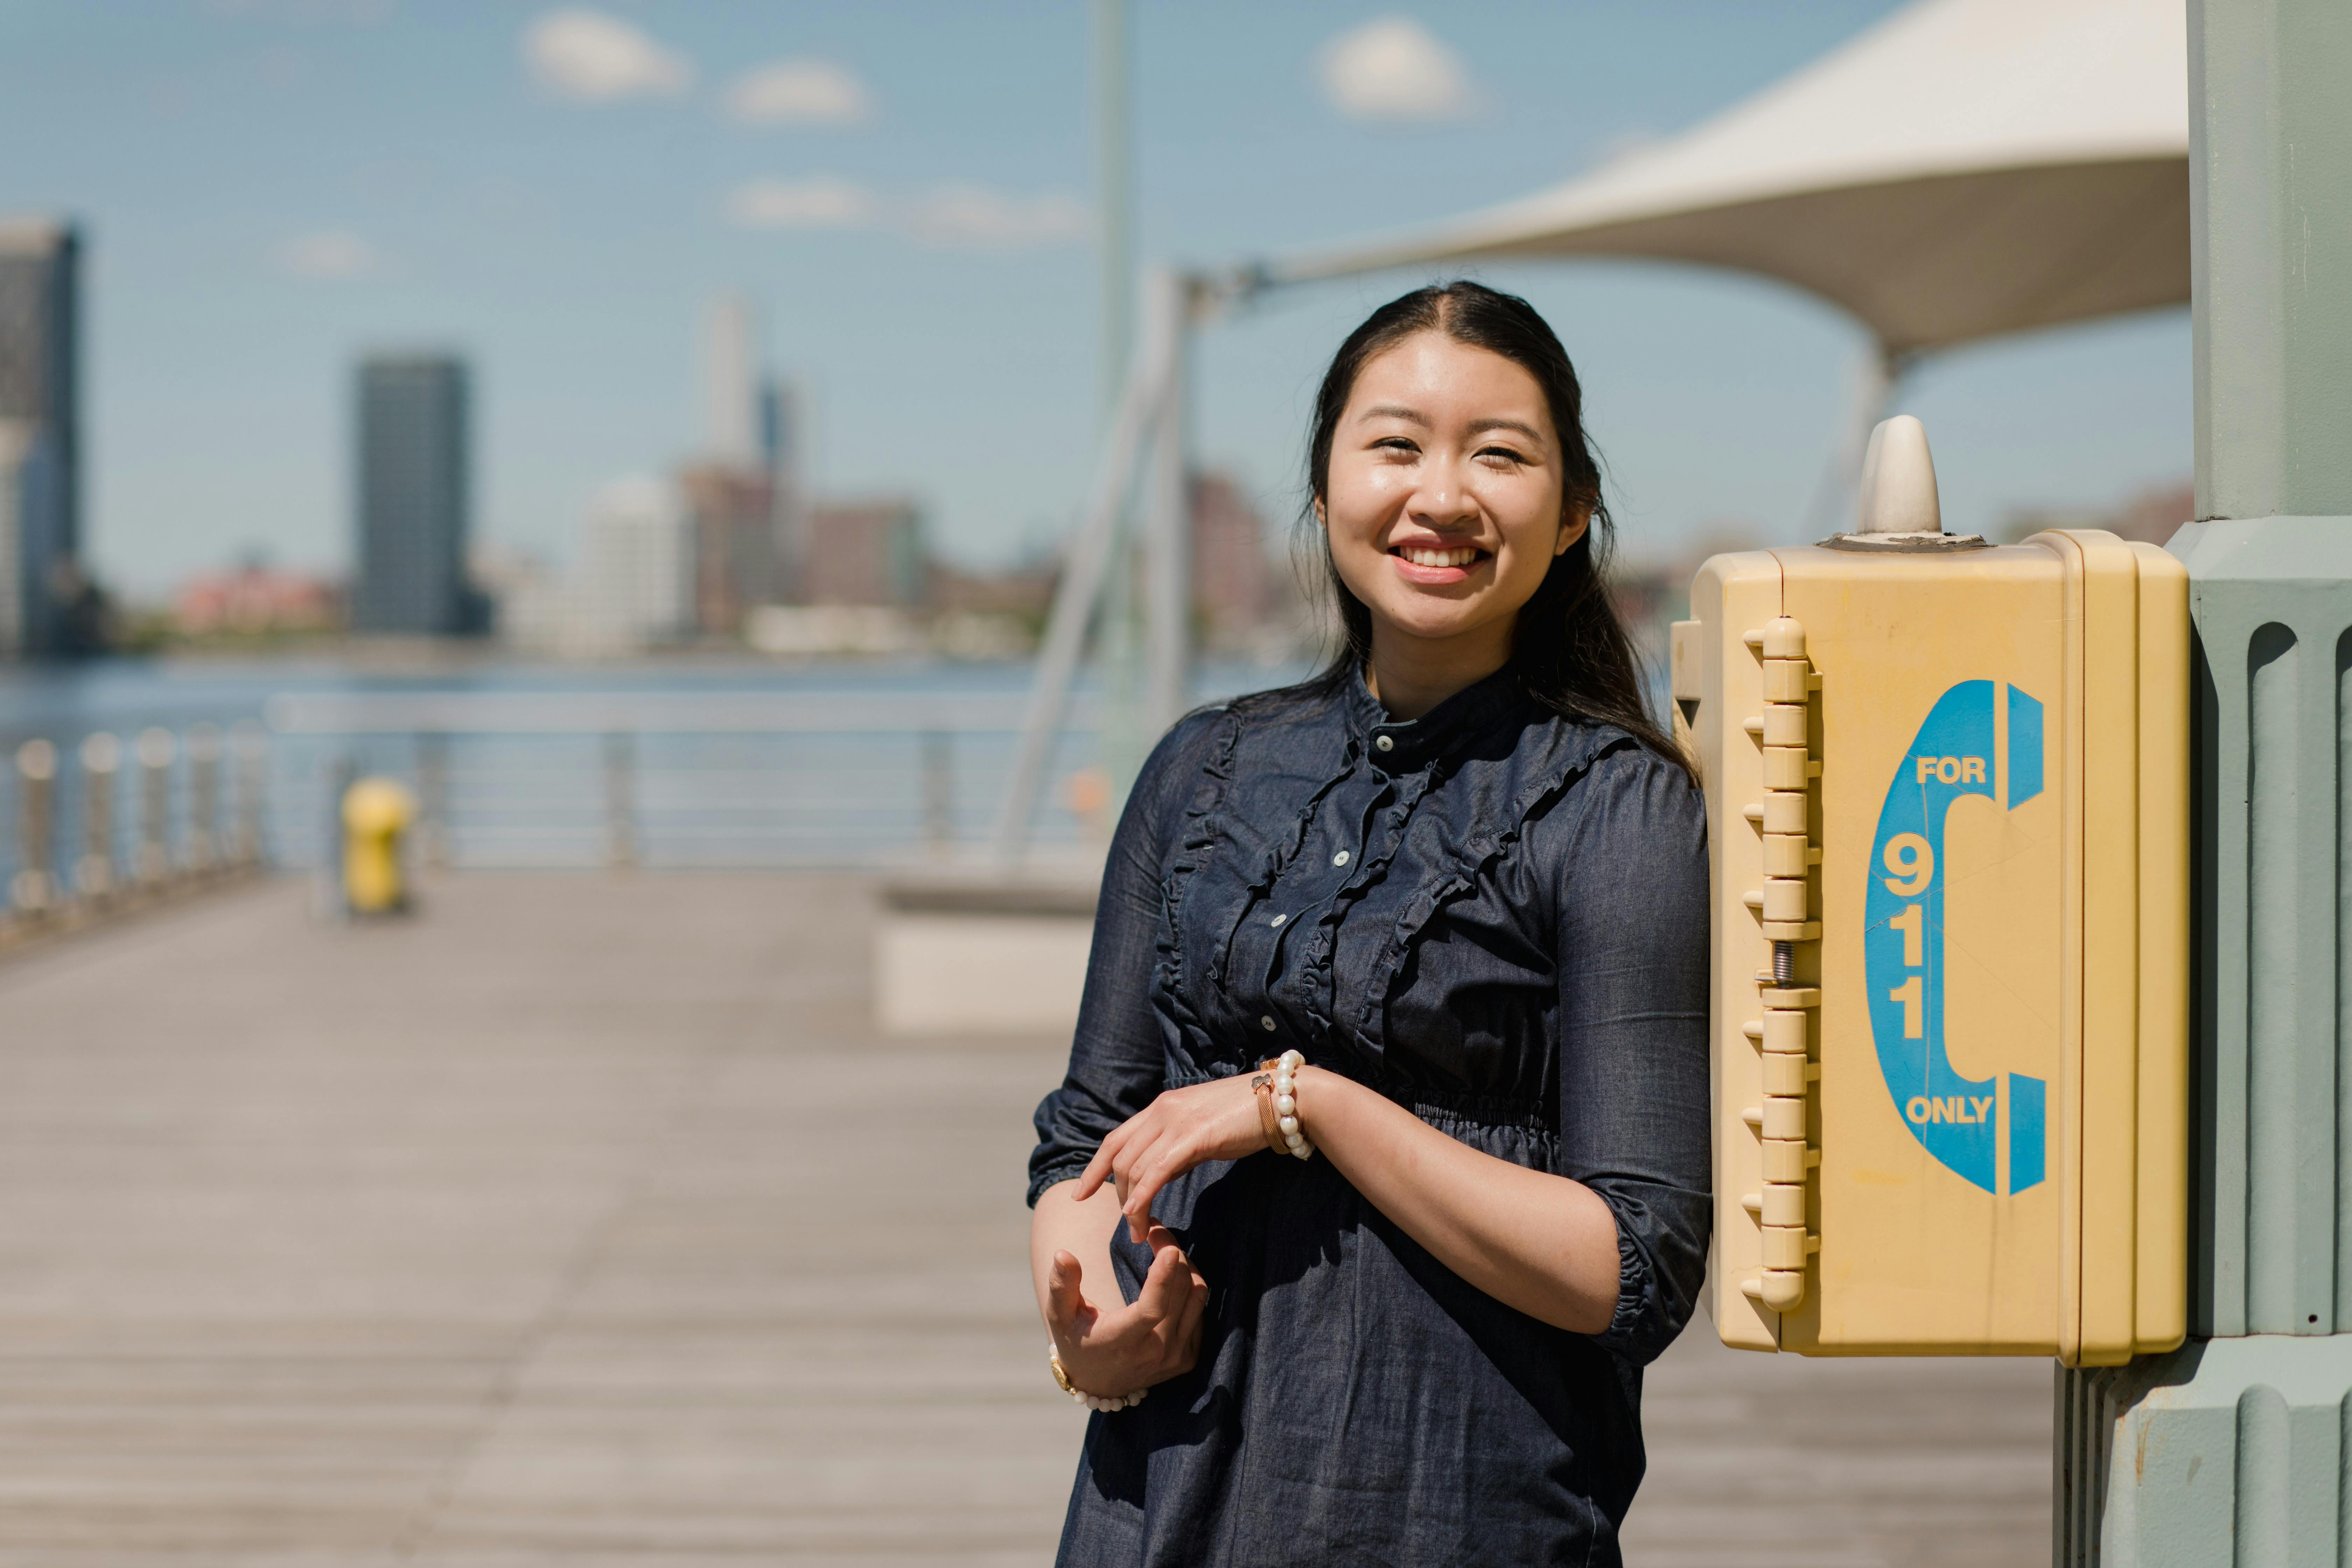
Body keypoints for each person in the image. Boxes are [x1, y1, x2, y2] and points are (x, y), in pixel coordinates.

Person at [1025, 280, 1711, 1566]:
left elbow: (1635, 1264)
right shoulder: (1203, 768)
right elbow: (1083, 1138)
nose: (1439, 496)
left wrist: (1311, 1108)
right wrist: (1084, 1326)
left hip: (1458, 1514)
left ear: (1570, 516)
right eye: (1394, 444)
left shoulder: (1617, 811)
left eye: (1498, 455)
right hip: (1156, 1508)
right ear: (1328, 479)